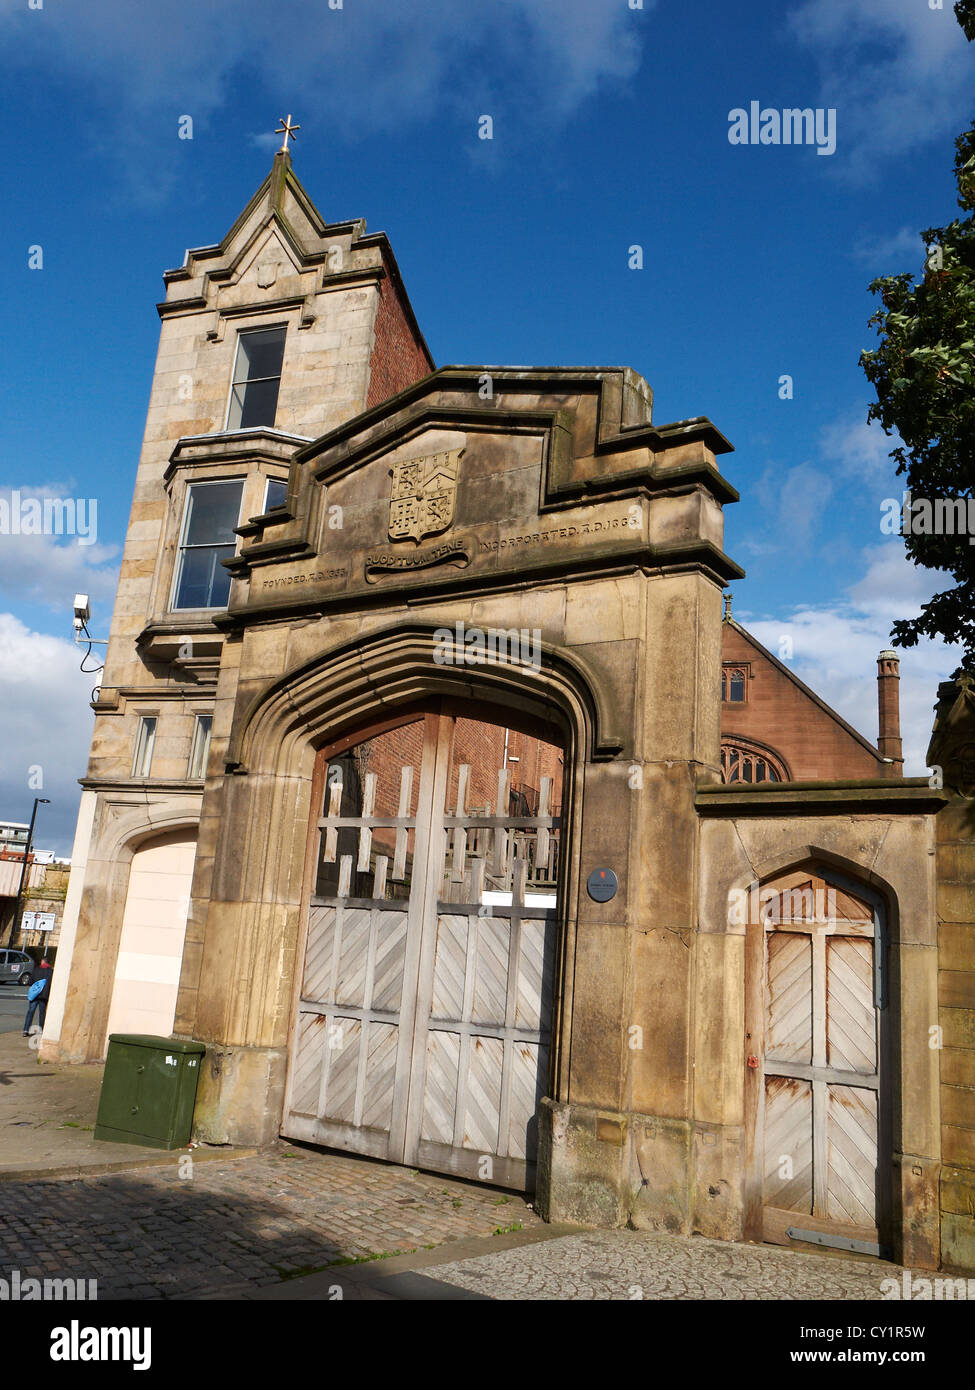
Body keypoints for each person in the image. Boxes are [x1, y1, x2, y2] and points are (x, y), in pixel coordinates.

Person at [23, 959, 52, 1037]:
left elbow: (30, 982)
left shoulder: (36, 970)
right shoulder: (51, 971)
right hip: (44, 996)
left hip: (35, 995)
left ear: (42, 961)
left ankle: (26, 1030)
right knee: (42, 1013)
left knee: (30, 1012)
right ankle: (41, 1030)